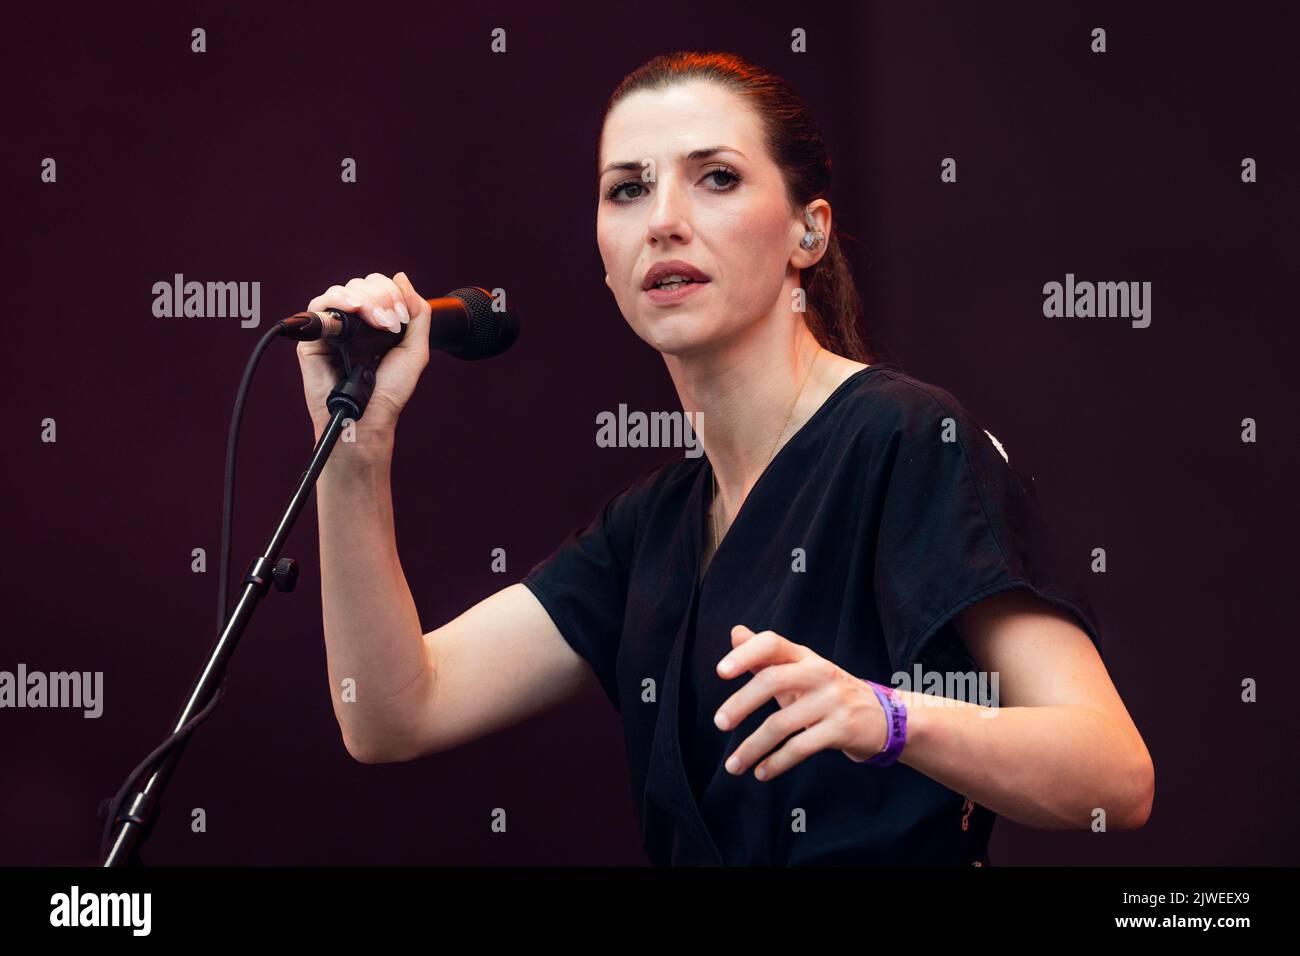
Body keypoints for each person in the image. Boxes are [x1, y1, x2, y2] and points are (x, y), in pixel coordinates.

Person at [295, 51, 1154, 866]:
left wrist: (889, 718)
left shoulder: (903, 438)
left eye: (716, 178)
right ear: (604, 261)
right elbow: (392, 714)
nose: (663, 220)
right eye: (628, 189)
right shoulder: (653, 525)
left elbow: (1114, 775)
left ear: (808, 232)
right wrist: (355, 448)